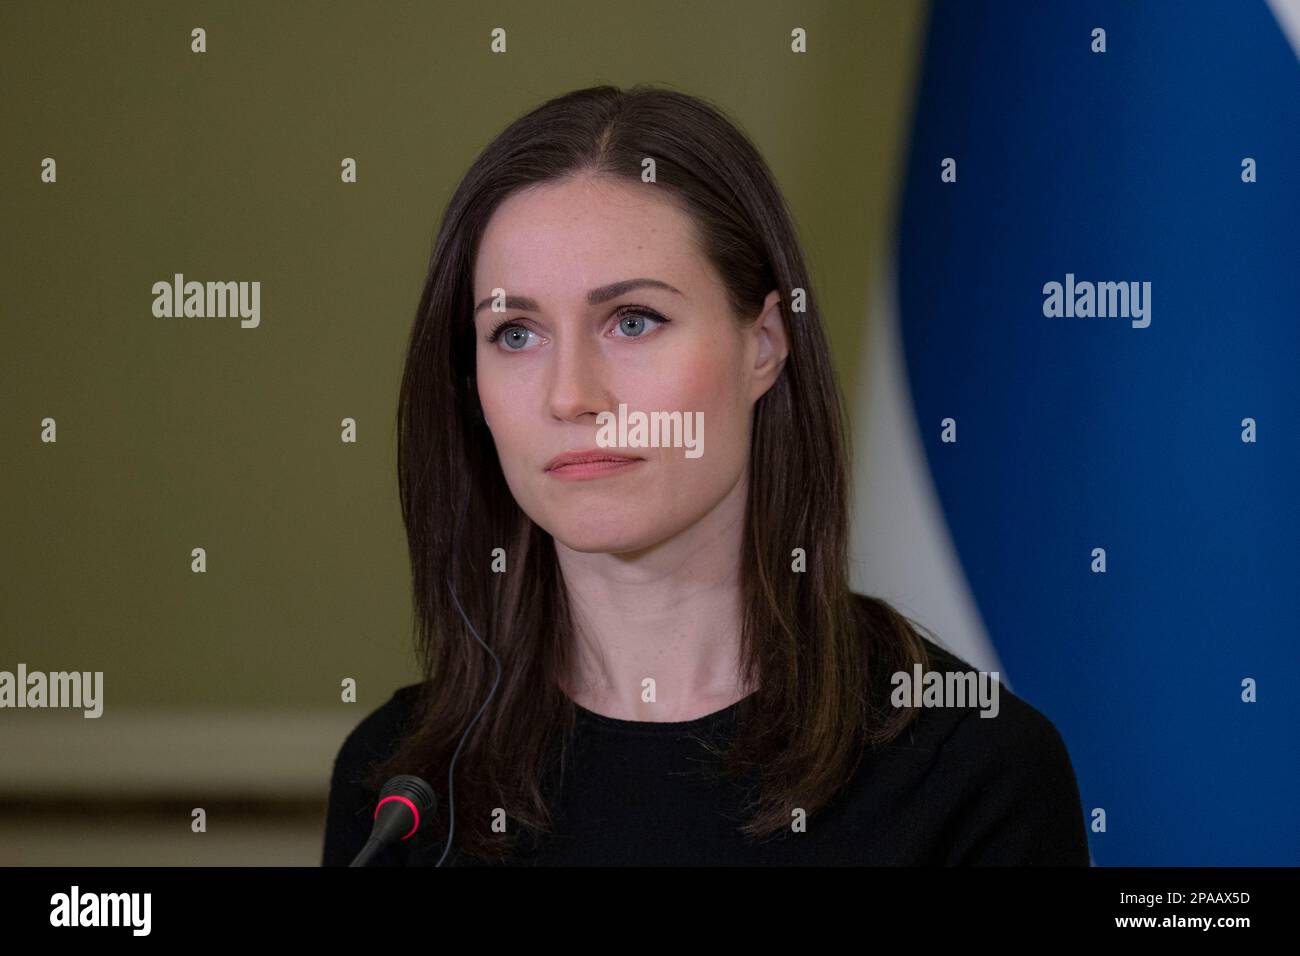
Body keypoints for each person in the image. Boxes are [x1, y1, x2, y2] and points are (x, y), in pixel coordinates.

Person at [322, 84, 1090, 866]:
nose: (569, 395)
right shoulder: (401, 790)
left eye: (633, 321)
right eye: (515, 333)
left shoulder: (974, 774)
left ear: (763, 345)